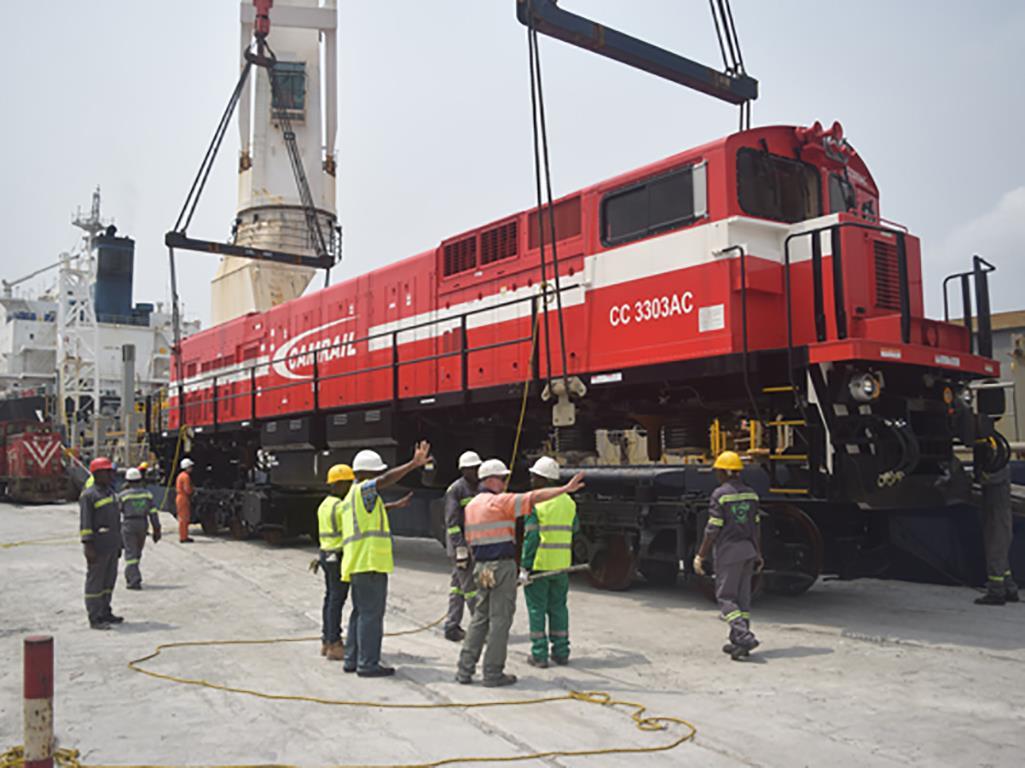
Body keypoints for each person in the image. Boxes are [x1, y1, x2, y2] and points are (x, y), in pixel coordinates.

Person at [456, 459, 585, 687]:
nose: (506, 483)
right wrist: (565, 490)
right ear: (492, 479)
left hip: (482, 567)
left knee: (479, 618)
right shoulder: (500, 502)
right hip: (503, 566)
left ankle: (464, 670)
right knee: (500, 621)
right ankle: (492, 673)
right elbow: (533, 498)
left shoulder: (472, 506)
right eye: (503, 478)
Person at [341, 441, 431, 677]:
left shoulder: (351, 496)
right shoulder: (364, 490)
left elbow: (371, 512)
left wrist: (393, 506)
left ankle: (352, 659)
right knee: (371, 615)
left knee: (359, 613)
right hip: (371, 563)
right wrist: (413, 464)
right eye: (376, 472)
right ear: (367, 474)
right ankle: (368, 664)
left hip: (356, 563)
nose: (379, 476)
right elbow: (384, 481)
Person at [693, 450, 764, 661]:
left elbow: (713, 528)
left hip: (729, 552)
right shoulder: (752, 494)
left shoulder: (720, 495)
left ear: (724, 472)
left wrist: (700, 555)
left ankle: (744, 636)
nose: (717, 476)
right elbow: (756, 527)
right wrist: (759, 554)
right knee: (743, 600)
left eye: (718, 472)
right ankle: (738, 643)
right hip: (748, 551)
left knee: (725, 598)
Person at [521, 456, 578, 668]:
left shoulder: (536, 502)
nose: (531, 479)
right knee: (558, 608)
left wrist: (525, 566)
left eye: (534, 476)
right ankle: (561, 652)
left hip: (539, 565)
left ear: (543, 479)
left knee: (537, 610)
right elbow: (575, 529)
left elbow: (531, 538)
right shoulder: (569, 502)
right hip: (561, 565)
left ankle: (539, 654)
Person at [79, 457, 124, 629]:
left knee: (108, 581)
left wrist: (120, 544)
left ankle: (105, 611)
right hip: (98, 546)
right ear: (97, 474)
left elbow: (116, 521)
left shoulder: (111, 493)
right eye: (107, 472)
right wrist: (88, 546)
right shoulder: (89, 496)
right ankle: (95, 617)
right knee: (95, 584)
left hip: (112, 544)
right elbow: (85, 524)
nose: (111, 475)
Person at [443, 450, 482, 642]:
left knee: (457, 587)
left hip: (472, 544)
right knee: (471, 588)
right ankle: (479, 628)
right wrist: (460, 549)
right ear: (463, 470)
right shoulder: (456, 490)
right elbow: (452, 523)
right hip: (461, 548)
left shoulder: (479, 488)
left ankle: (452, 625)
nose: (475, 472)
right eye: (472, 469)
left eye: (477, 468)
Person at [318, 464, 354, 660]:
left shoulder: (324, 504)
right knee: (336, 601)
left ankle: (326, 640)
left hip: (325, 554)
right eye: (348, 483)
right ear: (339, 484)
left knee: (330, 598)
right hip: (337, 556)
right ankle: (334, 643)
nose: (350, 487)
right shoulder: (340, 507)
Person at [975, 464, 1020, 606]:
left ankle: (996, 592)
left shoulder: (1000, 467)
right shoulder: (997, 465)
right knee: (1001, 555)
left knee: (995, 552)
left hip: (998, 514)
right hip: (994, 512)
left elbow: (986, 479)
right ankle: (1009, 588)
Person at [118, 467, 162, 590]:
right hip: (143, 524)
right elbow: (153, 513)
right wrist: (157, 530)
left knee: (131, 553)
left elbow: (116, 514)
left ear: (127, 480)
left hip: (129, 524)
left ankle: (133, 580)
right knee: (137, 552)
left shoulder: (123, 495)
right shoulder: (147, 494)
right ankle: (132, 575)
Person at [176, 458, 196, 543]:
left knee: (182, 518)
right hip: (183, 498)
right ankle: (184, 537)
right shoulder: (186, 477)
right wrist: (193, 490)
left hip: (180, 497)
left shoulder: (180, 475)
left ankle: (183, 536)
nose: (191, 468)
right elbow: (187, 489)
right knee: (184, 518)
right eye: (190, 467)